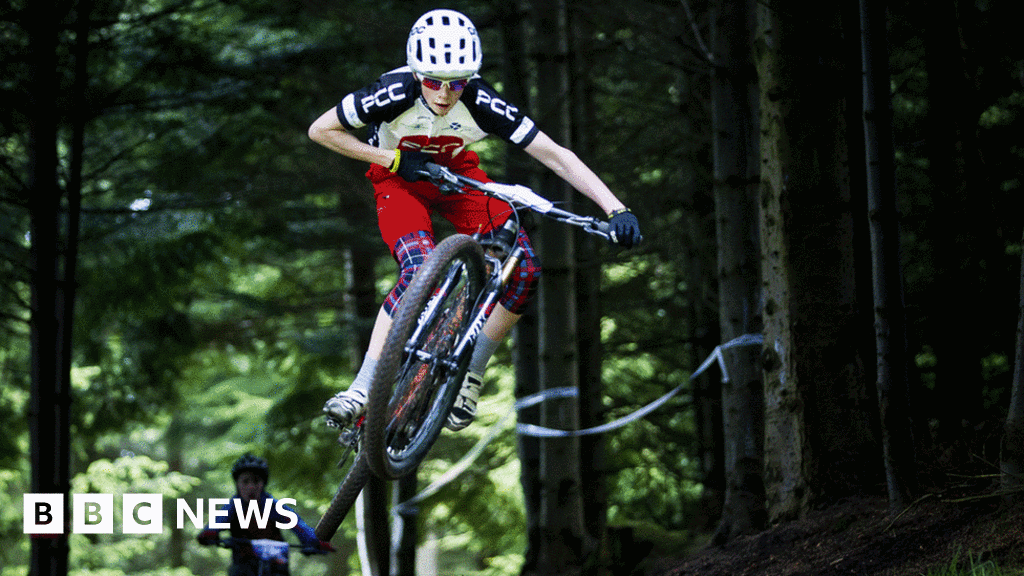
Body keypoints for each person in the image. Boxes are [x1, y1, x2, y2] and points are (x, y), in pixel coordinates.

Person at [308, 8, 641, 432]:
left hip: (457, 177)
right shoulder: (392, 91)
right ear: (416, 72)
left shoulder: (483, 101)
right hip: (397, 180)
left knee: (525, 270)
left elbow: (556, 155)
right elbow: (322, 130)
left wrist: (616, 208)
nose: (445, 95)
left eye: (457, 83)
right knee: (417, 268)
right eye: (432, 81)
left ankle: (470, 375)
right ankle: (362, 388)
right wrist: (390, 157)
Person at [197, 454, 333, 575]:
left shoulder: (273, 505)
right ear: (237, 485)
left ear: (263, 484)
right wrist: (209, 534)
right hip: (244, 565)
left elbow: (298, 525)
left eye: (256, 481)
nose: (251, 487)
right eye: (245, 481)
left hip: (275, 563)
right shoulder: (232, 507)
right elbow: (217, 523)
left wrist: (314, 541)